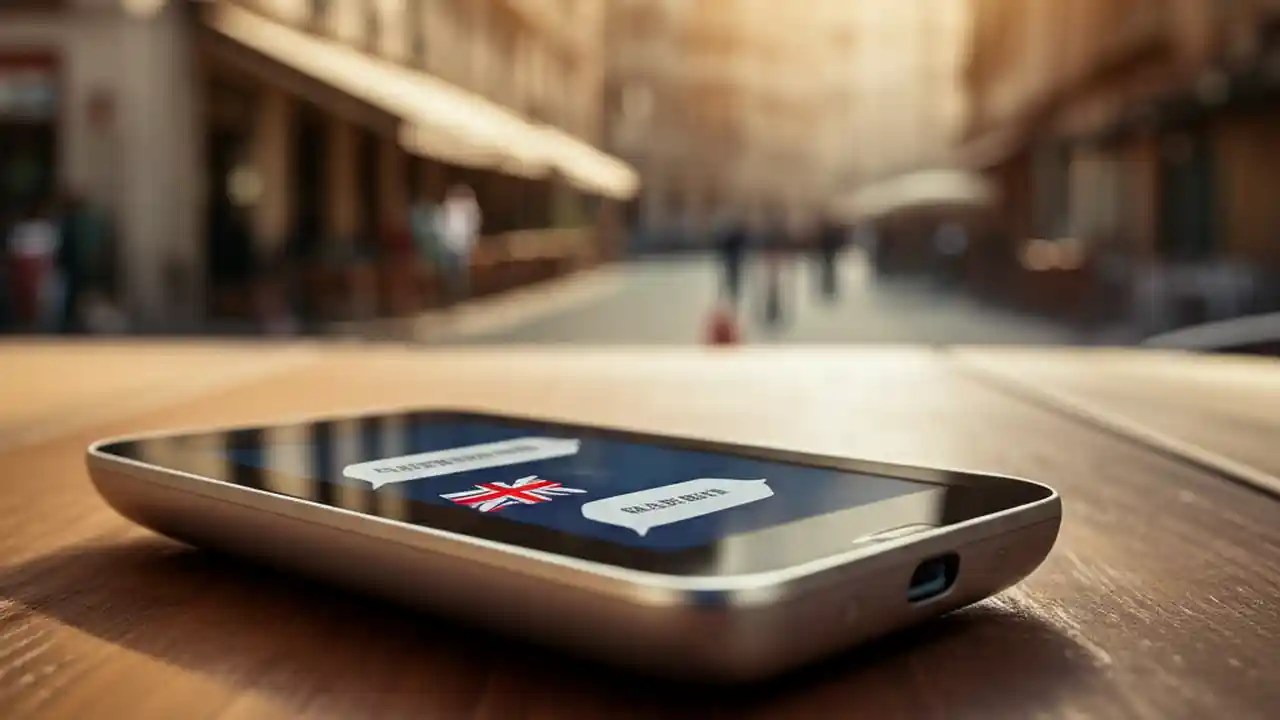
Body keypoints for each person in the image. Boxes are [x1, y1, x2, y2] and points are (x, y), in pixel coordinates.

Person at [5, 200, 60, 331]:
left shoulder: (46, 229)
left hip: (40, 268)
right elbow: (14, 254)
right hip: (23, 268)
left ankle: (41, 326)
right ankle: (24, 325)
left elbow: (51, 255)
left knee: (43, 300)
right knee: (24, 300)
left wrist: (42, 268)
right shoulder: (21, 229)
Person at [437, 184, 481, 304]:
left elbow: (473, 226)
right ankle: (454, 297)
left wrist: (471, 242)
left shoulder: (469, 207)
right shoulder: (449, 206)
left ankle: (460, 297)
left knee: (460, 273)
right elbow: (443, 226)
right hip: (451, 246)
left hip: (461, 246)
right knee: (451, 273)